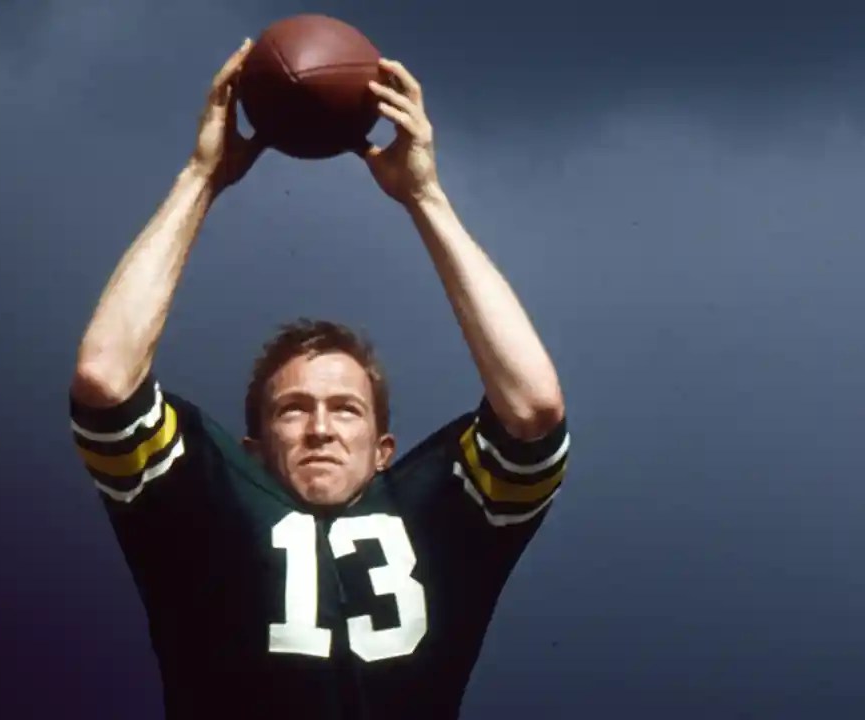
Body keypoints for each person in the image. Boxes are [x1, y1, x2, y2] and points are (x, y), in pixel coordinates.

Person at [68, 39, 569, 719]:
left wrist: (426, 197)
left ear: (385, 449)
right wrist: (200, 177)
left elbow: (534, 409)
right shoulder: (204, 505)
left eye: (346, 409)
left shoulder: (435, 511)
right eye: (293, 410)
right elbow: (104, 379)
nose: (322, 428)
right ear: (252, 448)